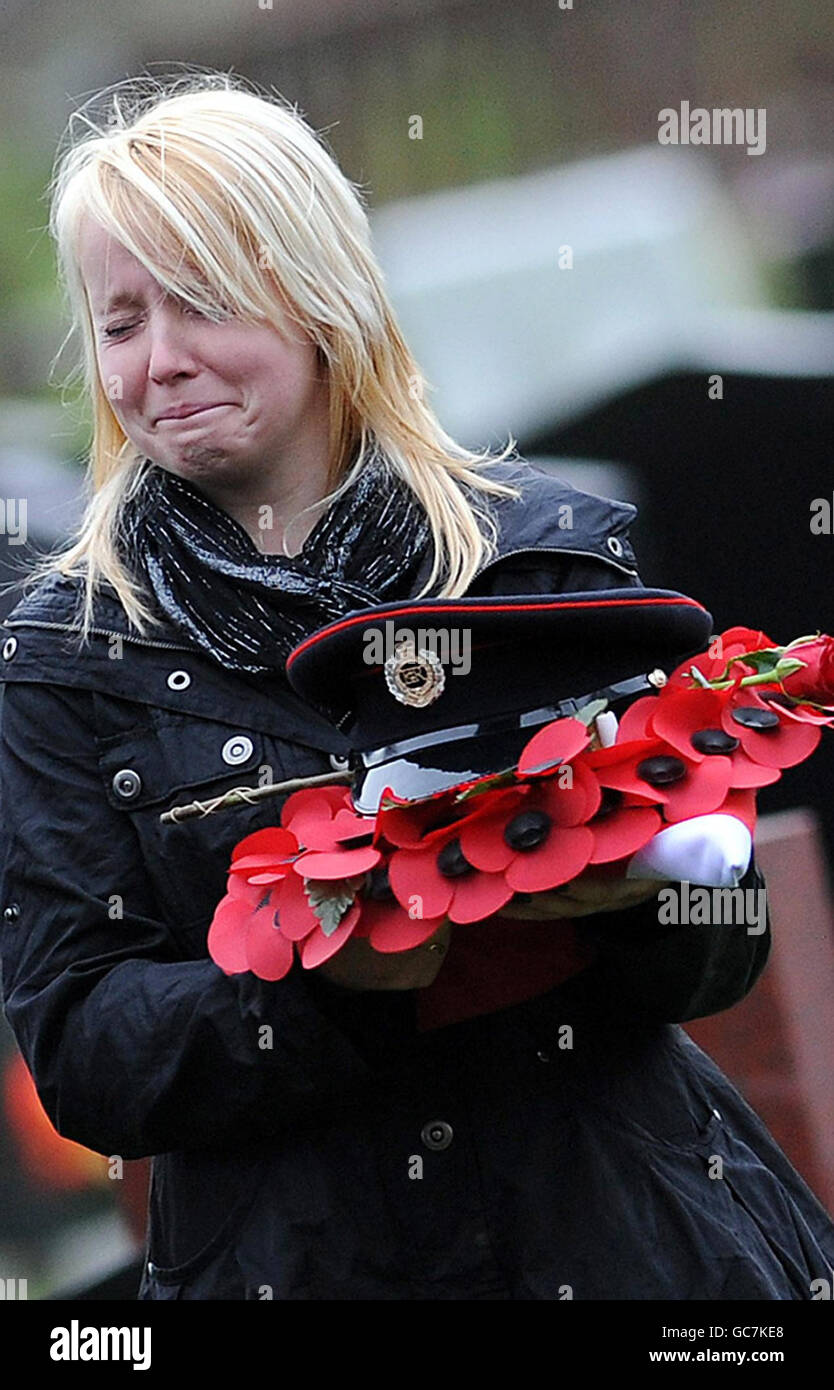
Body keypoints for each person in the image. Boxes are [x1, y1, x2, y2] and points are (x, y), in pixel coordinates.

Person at [1, 70, 832, 1301]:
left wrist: (652, 876)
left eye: (202, 304)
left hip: (634, 1251)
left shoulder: (547, 551)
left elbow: (721, 951)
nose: (161, 362)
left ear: (319, 296)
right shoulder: (60, 652)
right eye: (122, 325)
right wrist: (323, 982)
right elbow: (84, 1054)